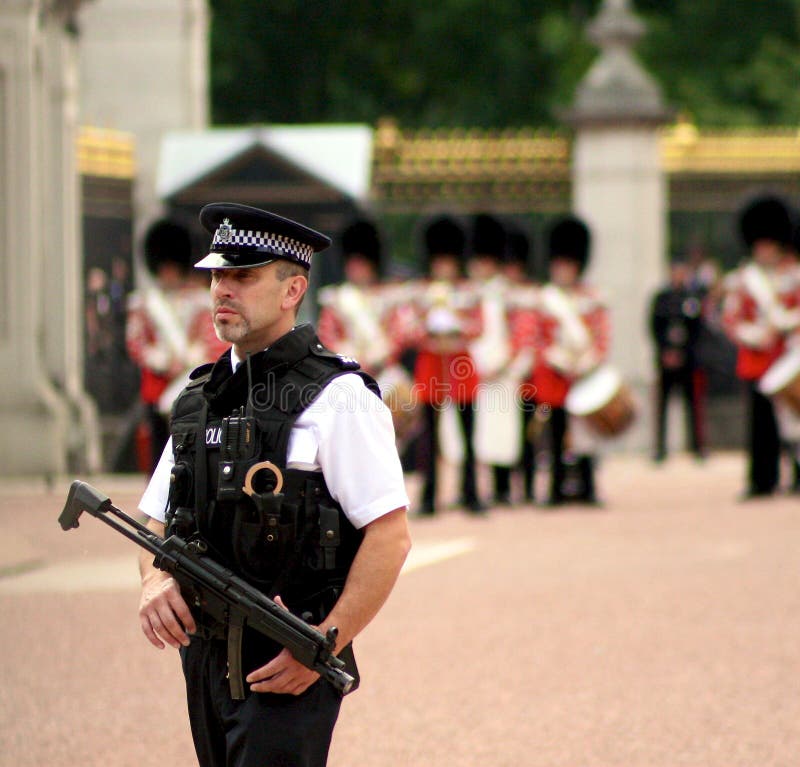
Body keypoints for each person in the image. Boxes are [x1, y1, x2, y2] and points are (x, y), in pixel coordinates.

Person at [136, 203, 412, 767]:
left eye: (244, 276)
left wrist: (323, 645)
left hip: (290, 657)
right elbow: (155, 520)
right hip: (205, 658)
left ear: (292, 291)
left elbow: (390, 536)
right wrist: (153, 580)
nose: (222, 291)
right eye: (217, 275)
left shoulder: (339, 397)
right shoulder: (197, 400)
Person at [126, 218, 225, 472]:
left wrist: (189, 360)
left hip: (190, 378)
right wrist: (160, 360)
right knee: (157, 447)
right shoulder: (145, 304)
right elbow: (136, 343)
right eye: (164, 269)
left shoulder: (200, 302)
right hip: (158, 384)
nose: (168, 274)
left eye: (173, 268)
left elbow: (211, 338)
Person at [721, 194, 797, 499]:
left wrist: (785, 323)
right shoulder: (743, 280)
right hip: (757, 359)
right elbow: (731, 319)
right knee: (760, 424)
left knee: (794, 423)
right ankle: (761, 479)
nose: (765, 251)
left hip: (789, 358)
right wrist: (754, 335)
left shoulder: (793, 276)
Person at [531, 216, 610, 506]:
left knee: (587, 434)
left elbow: (602, 334)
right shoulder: (545, 300)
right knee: (555, 435)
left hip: (584, 375)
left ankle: (588, 486)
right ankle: (556, 488)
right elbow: (536, 338)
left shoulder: (591, 299)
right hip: (555, 375)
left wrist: (588, 361)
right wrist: (558, 359)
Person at [410, 214, 485, 515]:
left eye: (448, 262)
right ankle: (430, 497)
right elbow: (410, 330)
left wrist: (456, 329)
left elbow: (479, 328)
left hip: (460, 367)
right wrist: (430, 334)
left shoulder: (468, 293)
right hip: (431, 366)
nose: (443, 268)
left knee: (468, 438)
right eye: (439, 262)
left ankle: (471, 494)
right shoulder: (421, 293)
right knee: (430, 438)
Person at [649, 256, 706, 462]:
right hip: (666, 359)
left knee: (693, 405)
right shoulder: (661, 298)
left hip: (688, 358)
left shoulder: (692, 297)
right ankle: (660, 448)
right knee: (662, 405)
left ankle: (697, 447)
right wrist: (666, 351)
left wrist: (683, 351)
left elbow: (698, 328)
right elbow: (653, 327)